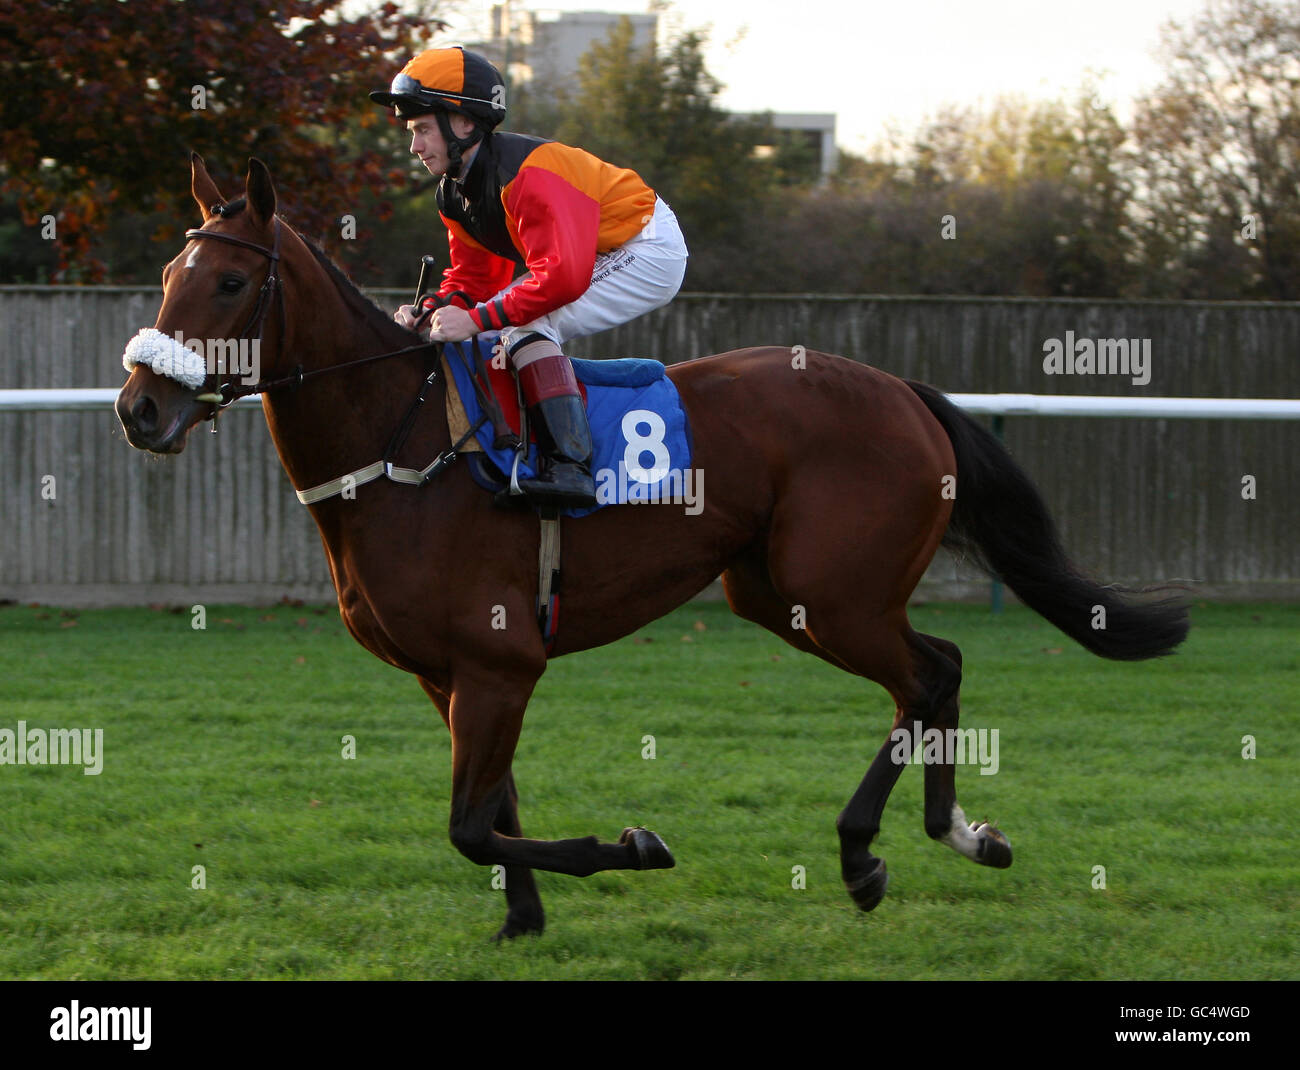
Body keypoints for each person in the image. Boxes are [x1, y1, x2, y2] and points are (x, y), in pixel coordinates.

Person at [371, 46, 689, 508]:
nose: (414, 147)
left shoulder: (530, 176)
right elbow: (474, 280)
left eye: (422, 130)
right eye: (412, 132)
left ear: (463, 123)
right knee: (503, 321)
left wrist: (476, 321)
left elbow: (562, 280)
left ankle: (571, 467)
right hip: (593, 253)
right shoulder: (454, 194)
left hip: (646, 247)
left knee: (526, 325)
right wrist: (432, 312)